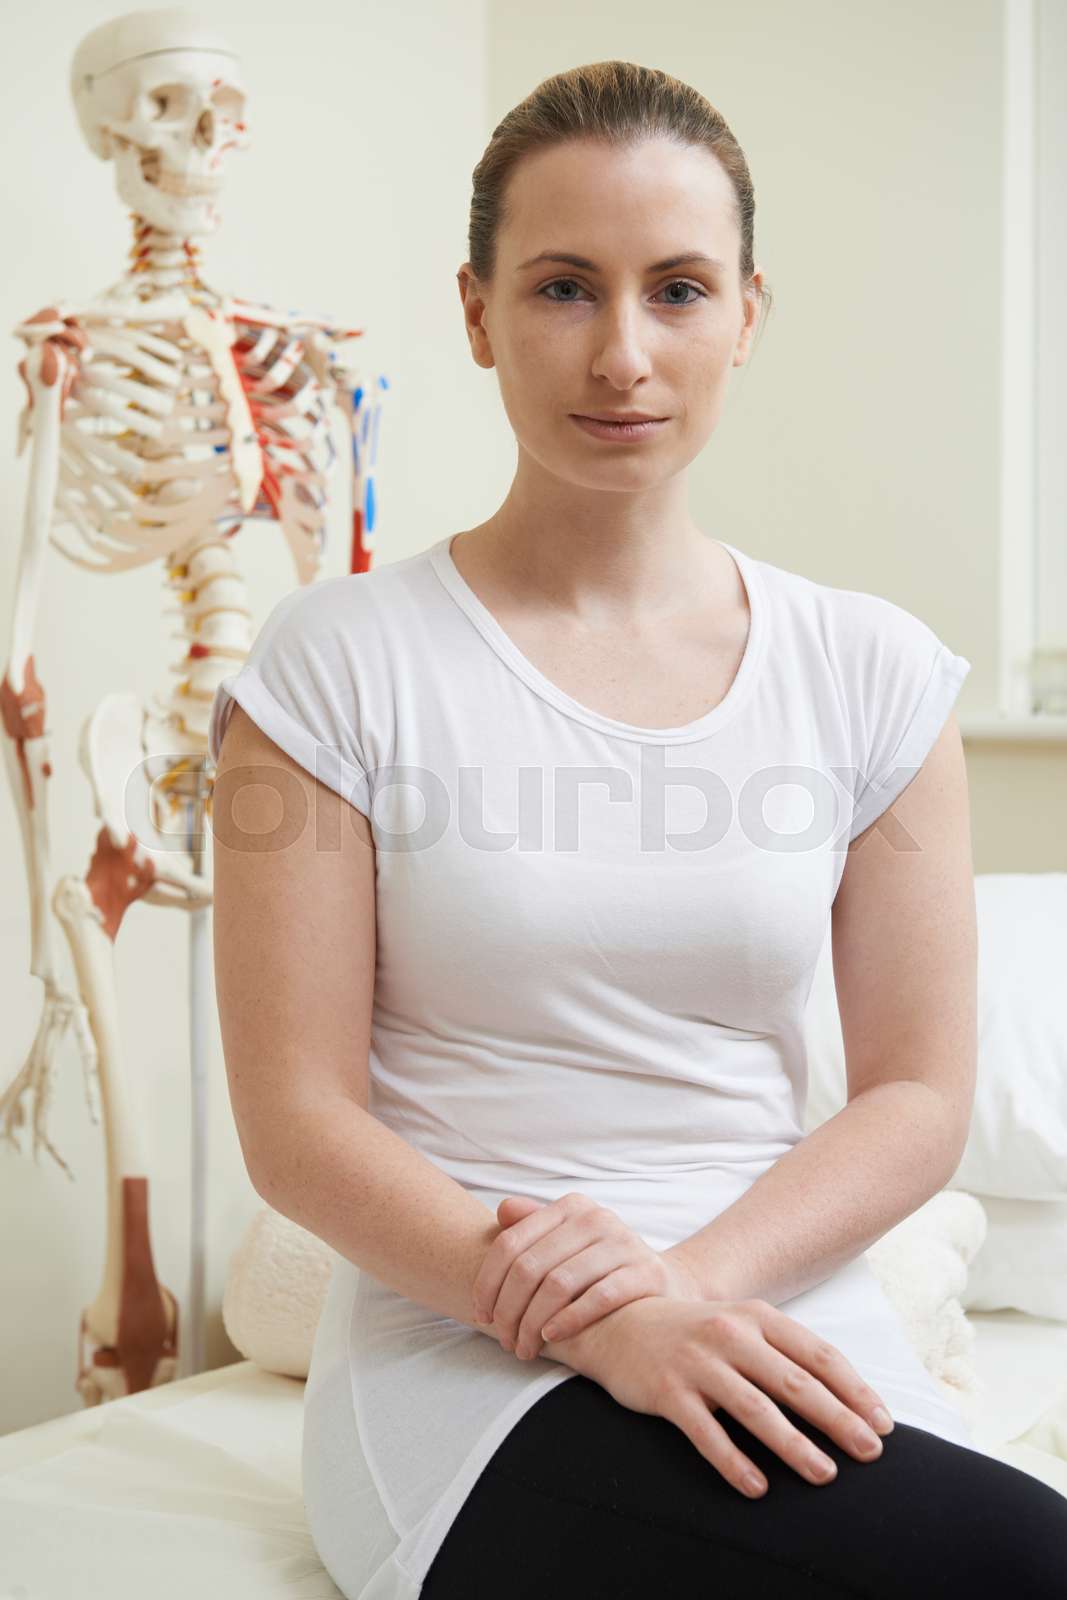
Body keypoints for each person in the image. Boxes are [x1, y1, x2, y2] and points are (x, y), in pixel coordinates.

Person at [209, 59, 1067, 1600]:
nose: (622, 353)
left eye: (678, 289)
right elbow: (296, 1121)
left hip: (764, 1306)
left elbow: (918, 1095)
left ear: (747, 314)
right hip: (470, 1355)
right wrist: (601, 1323)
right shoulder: (334, 666)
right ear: (476, 311)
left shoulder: (871, 671)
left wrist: (679, 1291)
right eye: (562, 288)